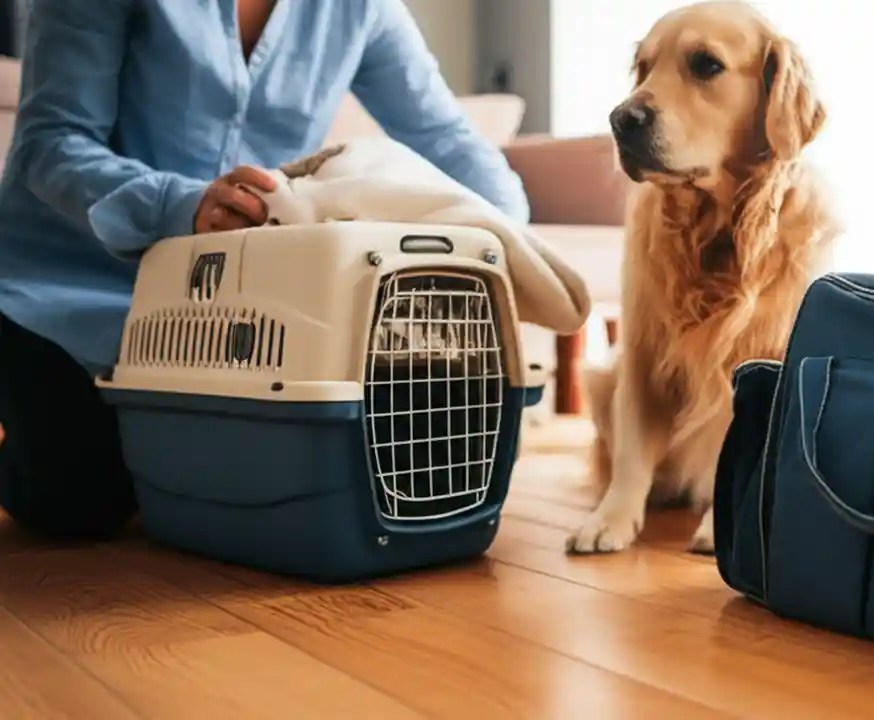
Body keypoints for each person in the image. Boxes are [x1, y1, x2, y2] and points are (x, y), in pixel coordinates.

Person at [0, 0, 531, 540]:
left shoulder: (359, 9)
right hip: (68, 284)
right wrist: (181, 204)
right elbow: (53, 143)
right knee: (74, 502)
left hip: (232, 306)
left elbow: (446, 139)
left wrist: (517, 241)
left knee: (356, 470)